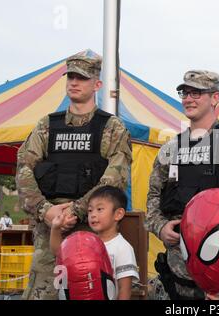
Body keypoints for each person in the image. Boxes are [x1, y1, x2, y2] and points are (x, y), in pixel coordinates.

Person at [16, 52, 132, 300]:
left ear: (97, 84)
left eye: (81, 77)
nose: (74, 82)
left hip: (92, 235)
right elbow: (23, 169)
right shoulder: (46, 125)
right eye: (70, 76)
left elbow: (114, 180)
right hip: (49, 235)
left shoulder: (112, 128)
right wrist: (45, 210)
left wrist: (76, 211)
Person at [145, 70, 219, 300]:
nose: (188, 99)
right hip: (177, 278)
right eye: (185, 93)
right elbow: (153, 197)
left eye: (196, 92)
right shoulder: (171, 148)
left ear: (215, 97)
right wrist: (160, 227)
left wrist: (216, 210)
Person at [50, 186, 139, 300]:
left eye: (100, 209)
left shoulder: (122, 247)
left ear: (118, 214)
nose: (93, 214)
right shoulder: (84, 243)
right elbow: (59, 253)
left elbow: (124, 289)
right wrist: (55, 229)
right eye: (90, 210)